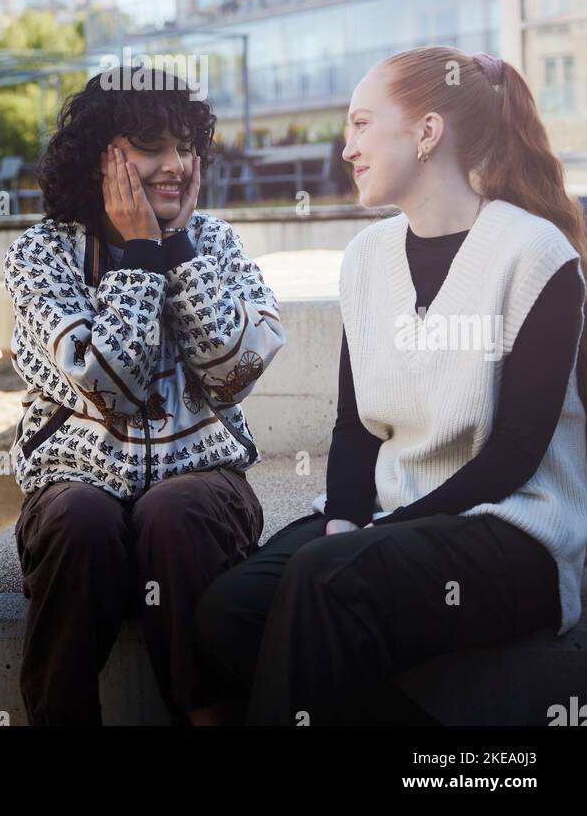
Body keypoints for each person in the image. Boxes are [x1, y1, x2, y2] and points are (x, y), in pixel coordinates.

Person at [193, 46, 587, 726]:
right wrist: (346, 520)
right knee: (227, 613)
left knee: (325, 581)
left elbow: (516, 452)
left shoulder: (536, 253)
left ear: (427, 134)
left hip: (516, 534)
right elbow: (353, 426)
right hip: (391, 517)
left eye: (362, 124)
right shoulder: (366, 259)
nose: (346, 149)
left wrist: (369, 537)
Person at [2, 64, 286, 725]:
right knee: (81, 520)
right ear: (99, 154)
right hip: (74, 484)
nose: (177, 165)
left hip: (201, 488)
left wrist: (177, 252)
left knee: (175, 513)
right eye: (153, 145)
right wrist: (137, 256)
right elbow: (112, 388)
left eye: (187, 147)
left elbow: (233, 372)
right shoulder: (39, 255)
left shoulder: (215, 242)